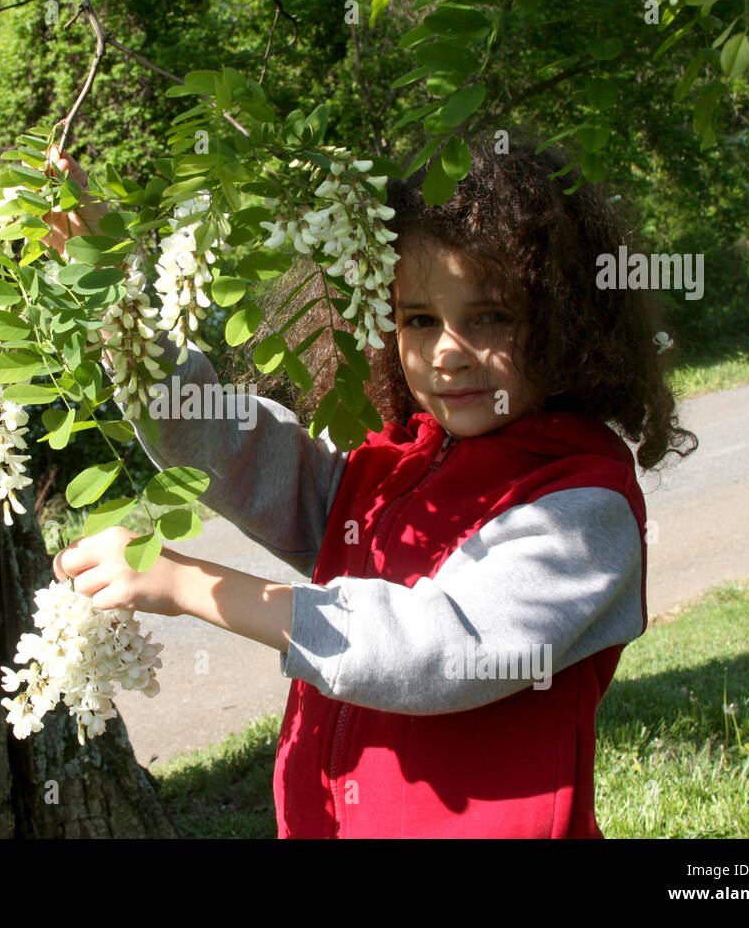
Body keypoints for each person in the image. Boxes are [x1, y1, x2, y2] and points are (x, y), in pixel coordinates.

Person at [43, 135, 698, 837]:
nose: (448, 349)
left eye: (492, 316)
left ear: (567, 322)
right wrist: (120, 301)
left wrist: (190, 586)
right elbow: (233, 450)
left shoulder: (580, 507)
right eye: (420, 319)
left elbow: (437, 648)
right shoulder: (388, 465)